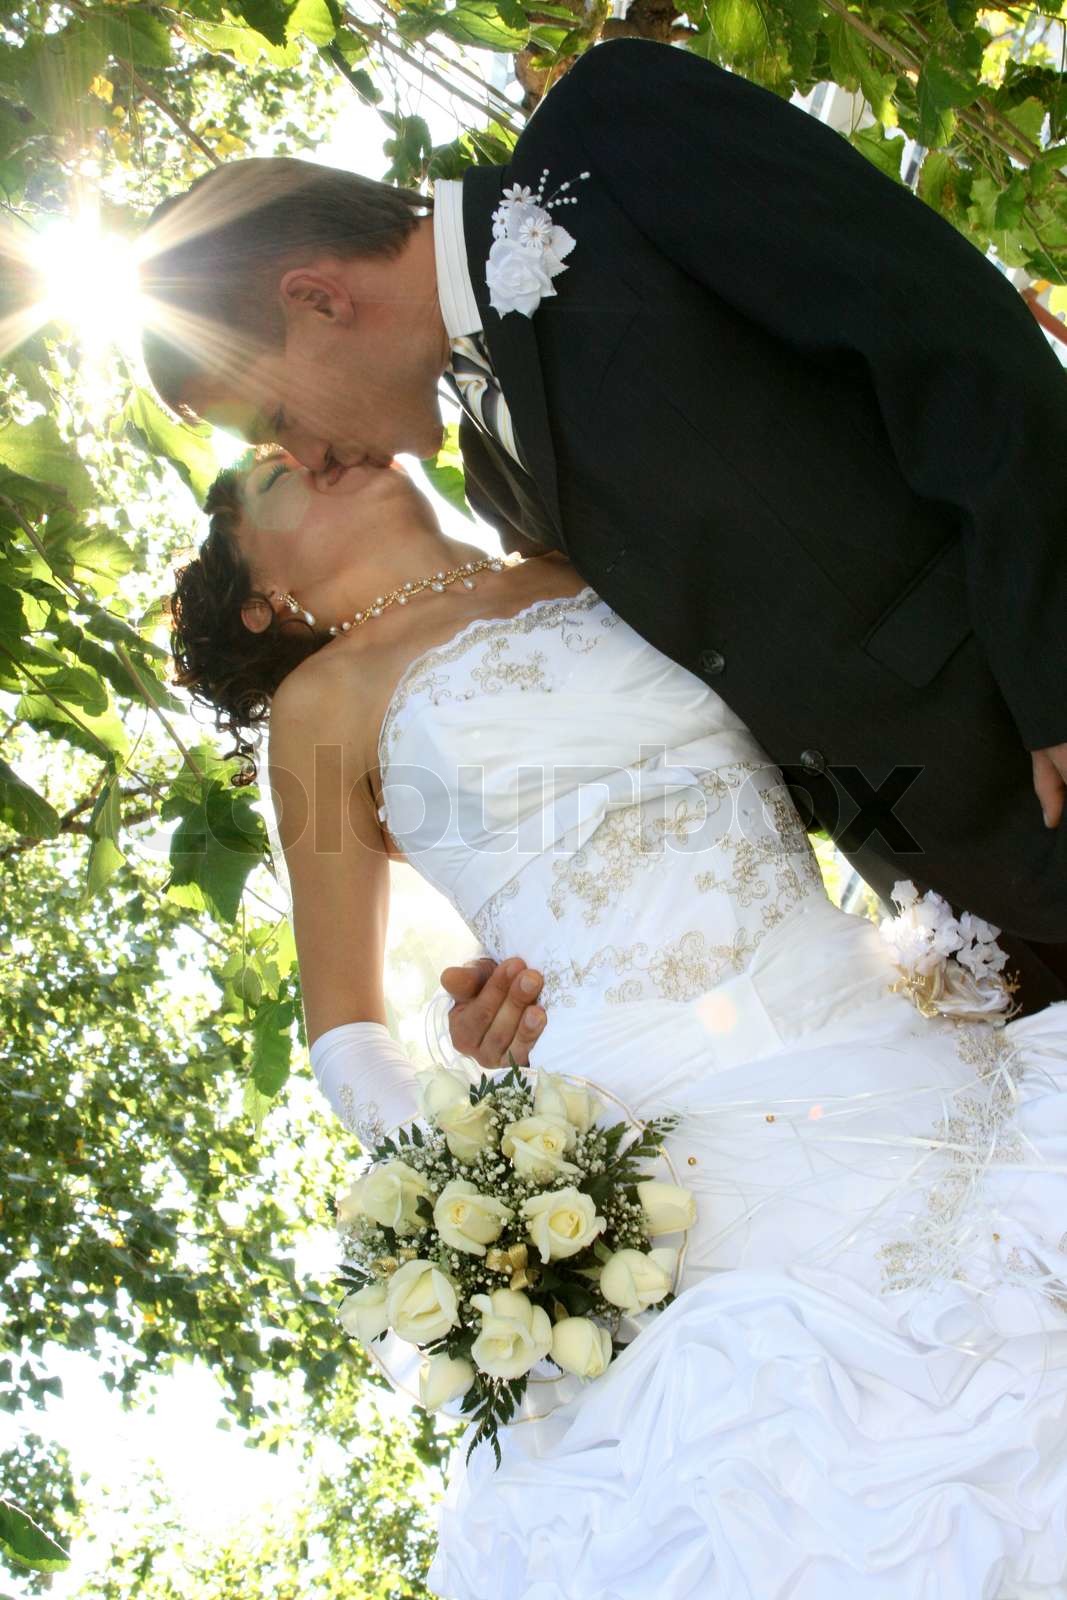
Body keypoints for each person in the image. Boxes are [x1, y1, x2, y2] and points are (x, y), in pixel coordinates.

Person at [170, 448, 1067, 1596]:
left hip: (879, 1015)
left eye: (300, 439)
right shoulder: (325, 702)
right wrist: (479, 1180)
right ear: (263, 598)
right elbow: (344, 1030)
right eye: (270, 478)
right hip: (657, 1152)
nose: (311, 451)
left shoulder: (588, 550)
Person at [142, 39, 1067, 1036]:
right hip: (966, 931)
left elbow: (946, 340)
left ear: (318, 299)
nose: (308, 456)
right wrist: (564, 955)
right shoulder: (502, 482)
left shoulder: (611, 135)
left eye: (274, 418)